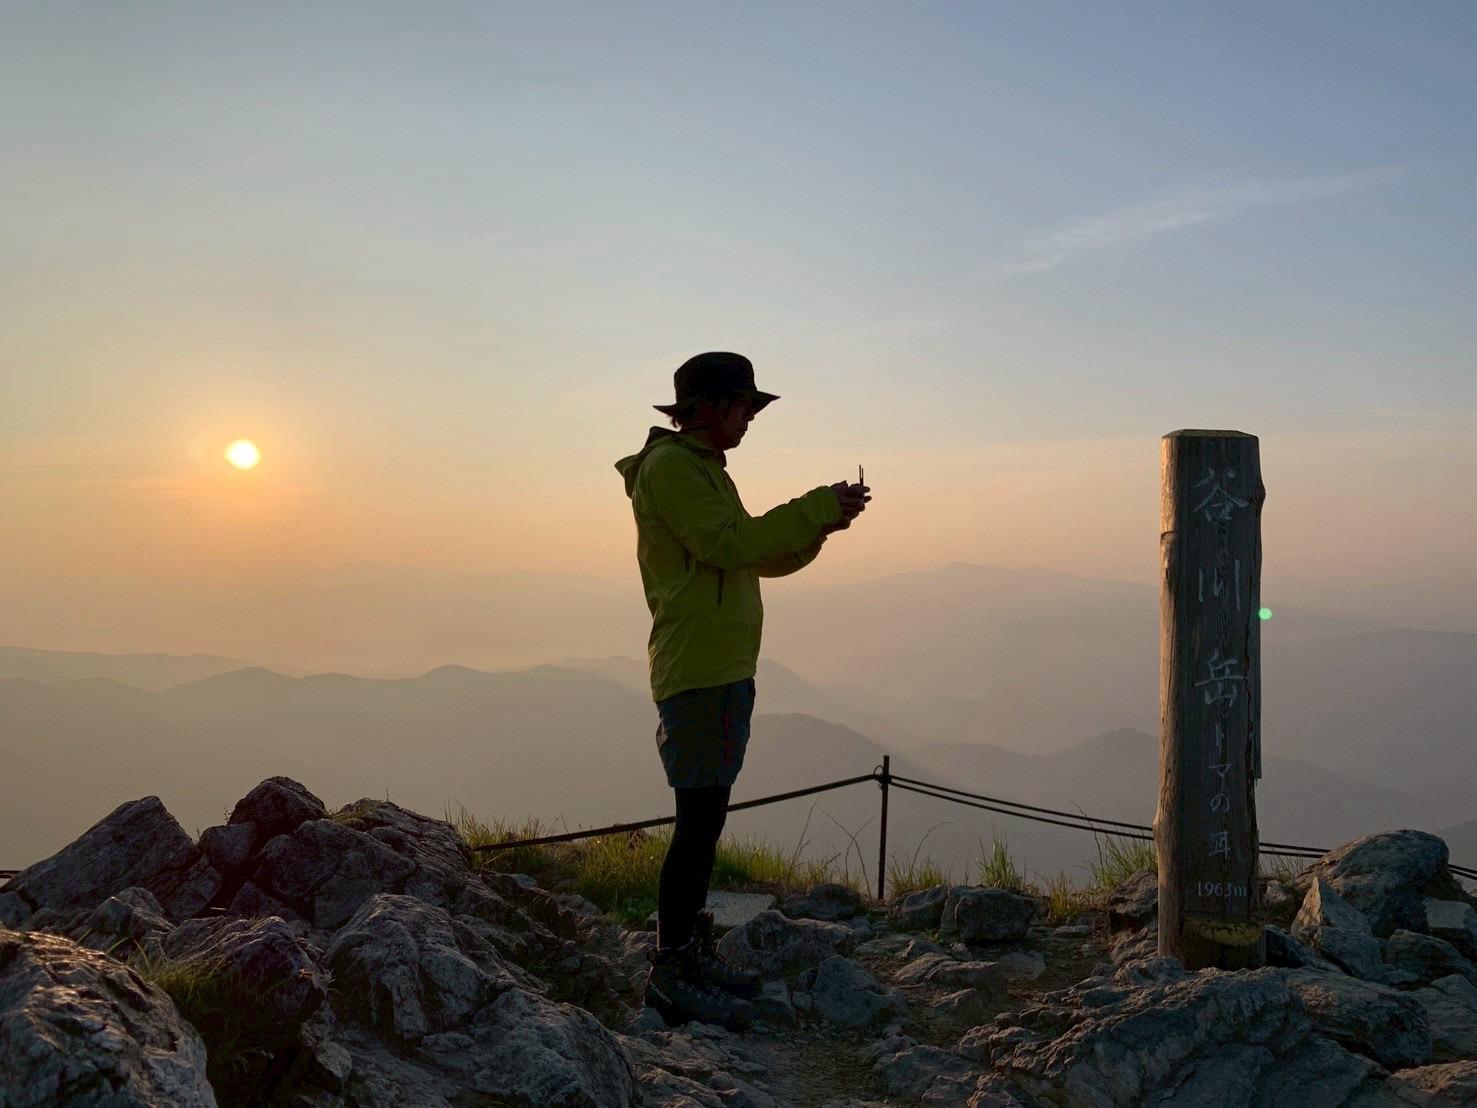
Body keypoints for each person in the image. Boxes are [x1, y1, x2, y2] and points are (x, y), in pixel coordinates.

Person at [613, 351, 870, 1029]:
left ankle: (689, 954)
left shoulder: (699, 471)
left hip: (718, 668)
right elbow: (730, 548)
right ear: (707, 408)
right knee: (697, 823)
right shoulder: (671, 470)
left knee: (706, 818)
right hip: (698, 671)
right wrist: (812, 506)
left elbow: (756, 552)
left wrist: (822, 522)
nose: (750, 419)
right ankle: (671, 971)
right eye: (744, 407)